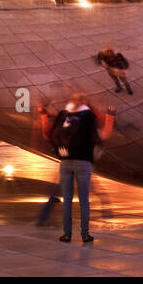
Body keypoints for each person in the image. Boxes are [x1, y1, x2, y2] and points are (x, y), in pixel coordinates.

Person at [41, 93, 115, 244]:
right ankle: (85, 235)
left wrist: (43, 115)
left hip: (65, 162)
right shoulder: (88, 116)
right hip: (83, 162)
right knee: (83, 200)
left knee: (67, 200)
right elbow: (104, 134)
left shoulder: (63, 115)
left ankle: (67, 235)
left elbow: (48, 135)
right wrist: (110, 116)